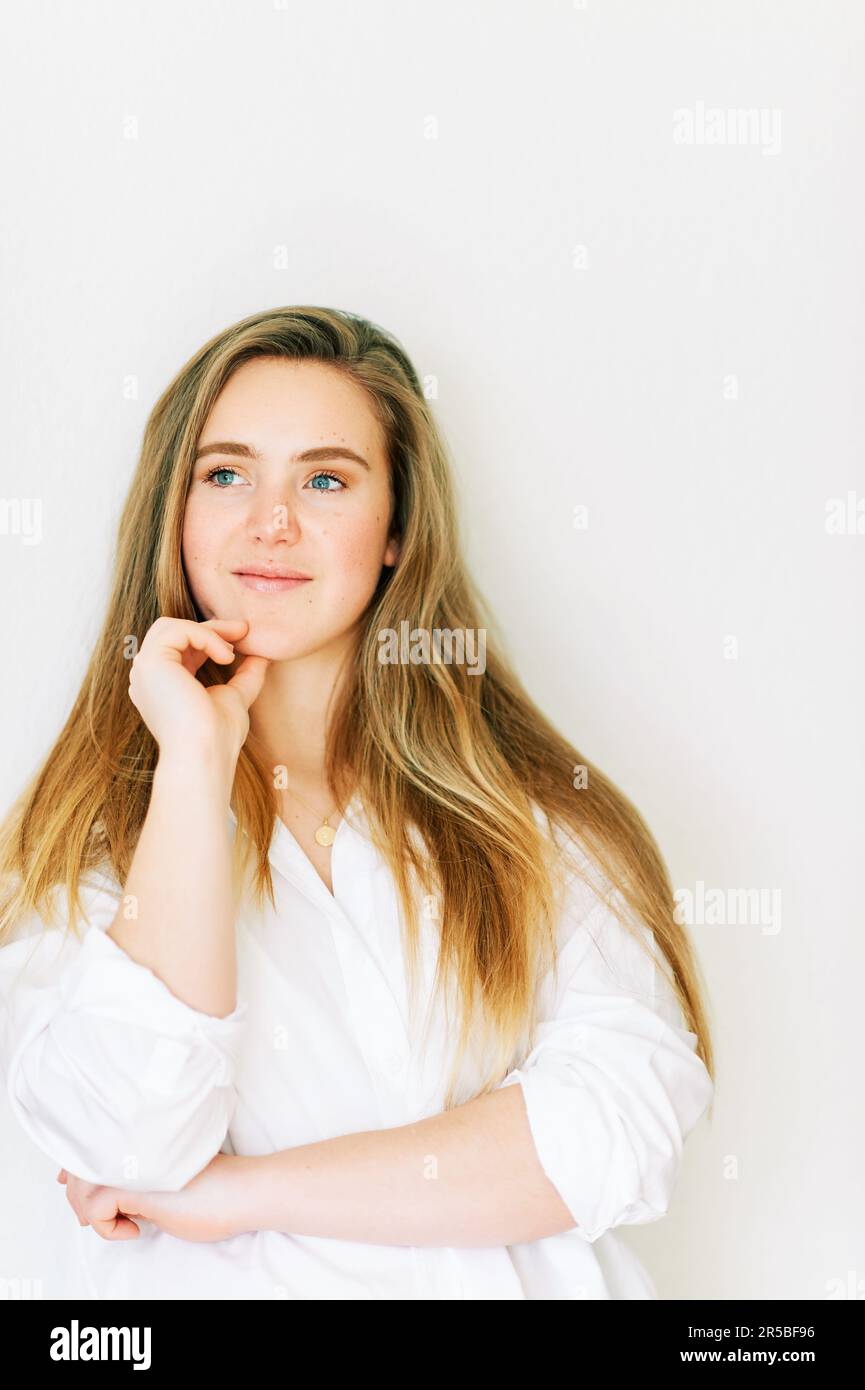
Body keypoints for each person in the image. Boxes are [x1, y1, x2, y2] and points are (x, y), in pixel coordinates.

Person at [0, 305, 715, 1300]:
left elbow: (618, 1130)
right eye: (226, 473)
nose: (273, 520)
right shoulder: (76, 844)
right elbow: (129, 1136)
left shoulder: (535, 822)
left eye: (326, 478)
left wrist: (245, 1193)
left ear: (395, 534)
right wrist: (196, 767)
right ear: (176, 510)